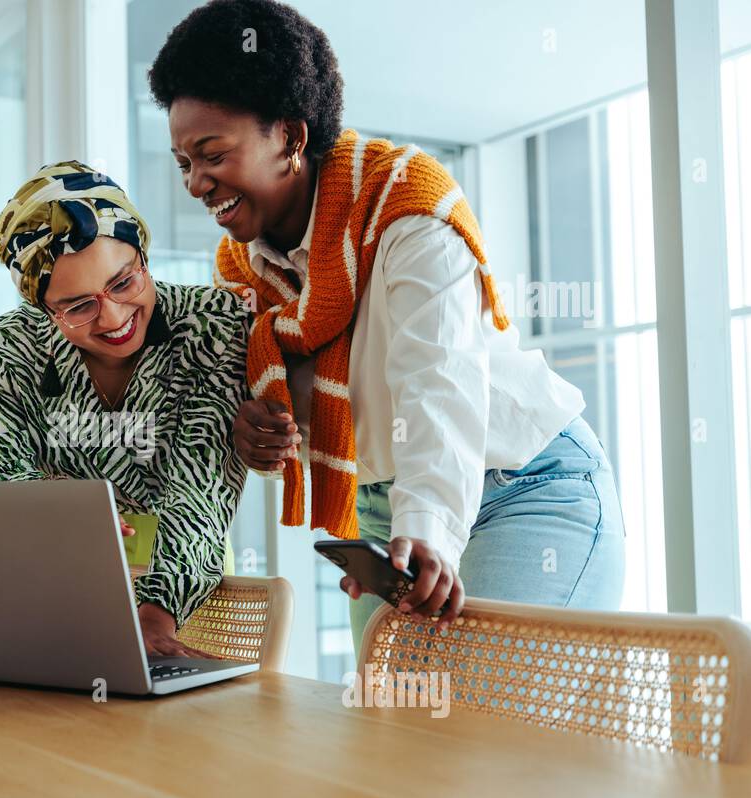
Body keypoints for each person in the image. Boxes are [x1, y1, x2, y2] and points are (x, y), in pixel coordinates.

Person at [148, 0, 625, 651]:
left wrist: (426, 527)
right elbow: (270, 396)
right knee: (393, 725)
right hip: (384, 505)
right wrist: (253, 431)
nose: (196, 183)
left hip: (521, 483)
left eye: (212, 154)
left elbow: (438, 381)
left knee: (481, 721)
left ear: (289, 135)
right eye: (183, 163)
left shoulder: (406, 205)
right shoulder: (240, 267)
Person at [0, 160, 251, 658]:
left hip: (183, 594)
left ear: (143, 254)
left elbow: (197, 496)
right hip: (54, 597)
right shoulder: (7, 351)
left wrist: (152, 618)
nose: (115, 317)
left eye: (124, 282)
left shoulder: (212, 325)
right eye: (78, 306)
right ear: (43, 309)